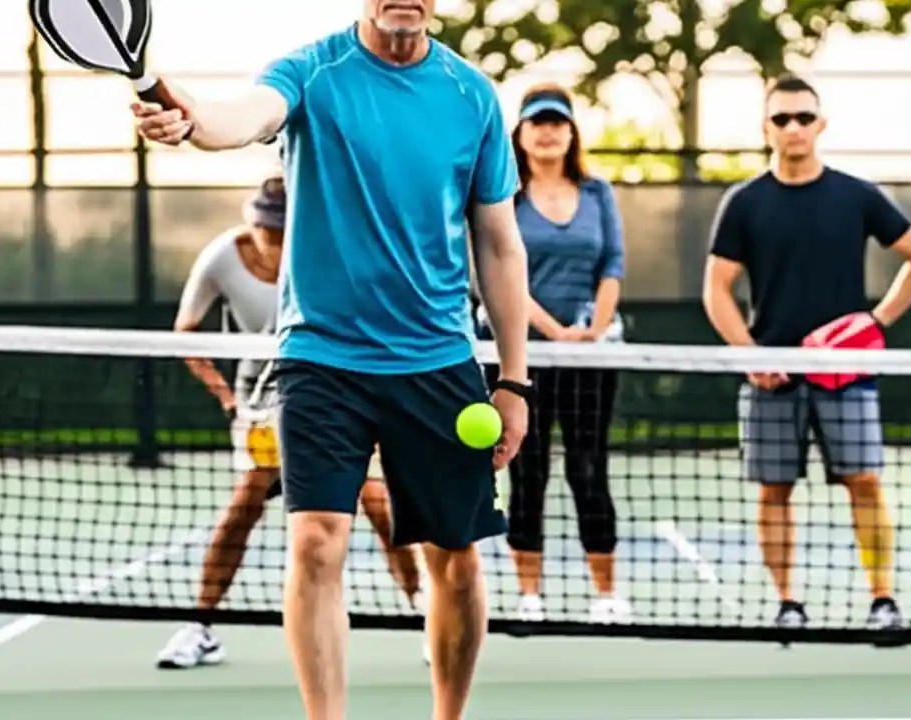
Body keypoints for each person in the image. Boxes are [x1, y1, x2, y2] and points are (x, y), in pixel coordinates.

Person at [130, 2, 533, 718]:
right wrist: (191, 119)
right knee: (317, 543)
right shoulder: (313, 71)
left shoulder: (471, 94)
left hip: (436, 361)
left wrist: (512, 379)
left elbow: (499, 244)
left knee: (457, 561)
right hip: (320, 358)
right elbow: (242, 116)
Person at [702, 75, 911, 643]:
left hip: (847, 375)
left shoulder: (857, 195)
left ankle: (882, 599)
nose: (793, 128)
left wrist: (874, 324)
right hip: (772, 378)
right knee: (774, 490)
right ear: (766, 128)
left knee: (864, 481)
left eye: (803, 118)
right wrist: (750, 356)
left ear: (821, 124)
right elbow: (717, 288)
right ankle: (788, 603)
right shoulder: (744, 202)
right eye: (781, 119)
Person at [157, 175, 428, 670]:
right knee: (246, 503)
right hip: (260, 401)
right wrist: (226, 399)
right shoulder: (221, 258)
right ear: (253, 223)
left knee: (378, 506)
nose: (281, 241)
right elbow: (186, 332)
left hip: (336, 392)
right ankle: (199, 626)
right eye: (272, 230)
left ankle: (423, 612)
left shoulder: (332, 253)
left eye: (289, 229)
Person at [478, 84, 630, 624]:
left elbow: (613, 261)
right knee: (527, 471)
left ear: (571, 132)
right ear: (520, 134)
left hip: (590, 360)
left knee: (590, 471)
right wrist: (549, 330)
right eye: (537, 123)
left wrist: (594, 328)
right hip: (520, 359)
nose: (548, 131)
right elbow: (493, 266)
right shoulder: (503, 193)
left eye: (557, 123)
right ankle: (529, 597)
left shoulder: (597, 193)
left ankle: (608, 597)